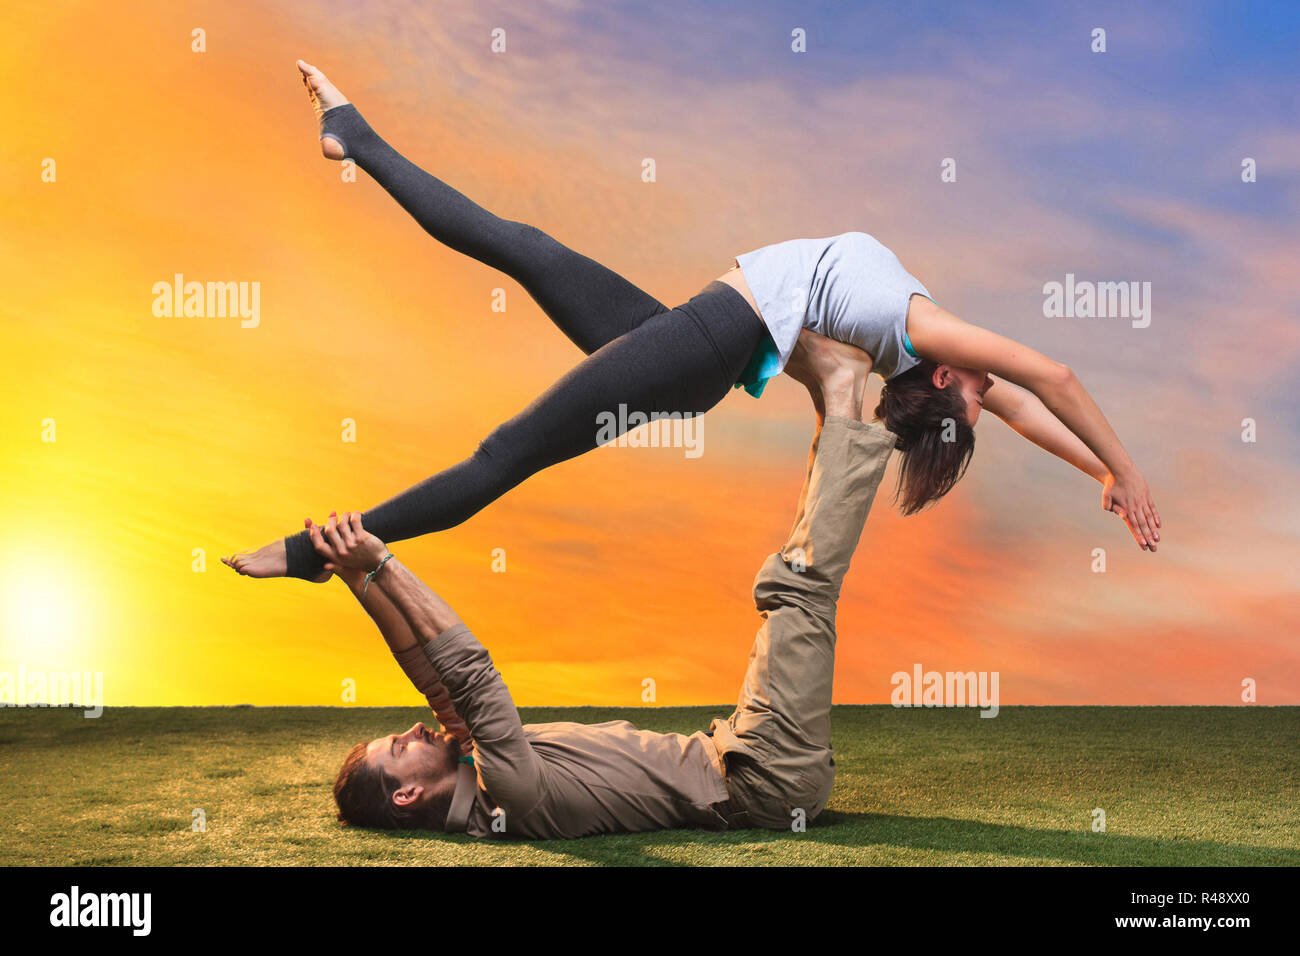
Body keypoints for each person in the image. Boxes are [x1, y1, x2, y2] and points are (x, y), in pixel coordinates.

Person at [222, 60, 1160, 585]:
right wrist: (1102, 475)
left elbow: (1051, 380)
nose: (991, 388)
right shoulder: (918, 338)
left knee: (503, 452)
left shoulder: (924, 341)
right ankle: (355, 135)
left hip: (703, 346)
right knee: (526, 245)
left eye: (978, 388)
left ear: (948, 379)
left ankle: (315, 553)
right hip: (688, 337)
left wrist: (1123, 467)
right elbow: (1026, 406)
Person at [324, 330, 895, 836]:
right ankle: (844, 390)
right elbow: (470, 674)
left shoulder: (478, 767)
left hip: (739, 744)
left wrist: (357, 576)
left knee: (791, 581)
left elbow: (432, 675)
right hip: (766, 781)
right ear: (408, 794)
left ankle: (838, 408)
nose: (414, 730)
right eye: (399, 748)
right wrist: (383, 561)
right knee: (798, 588)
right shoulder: (508, 795)